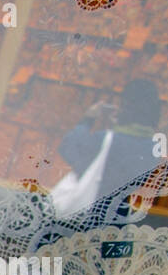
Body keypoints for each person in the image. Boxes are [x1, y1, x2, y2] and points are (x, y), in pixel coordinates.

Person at [55, 78, 162, 214]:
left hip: (88, 213)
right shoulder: (153, 148)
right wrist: (117, 127)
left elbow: (68, 148)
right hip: (118, 214)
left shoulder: (106, 139)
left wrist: (87, 120)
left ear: (126, 105)